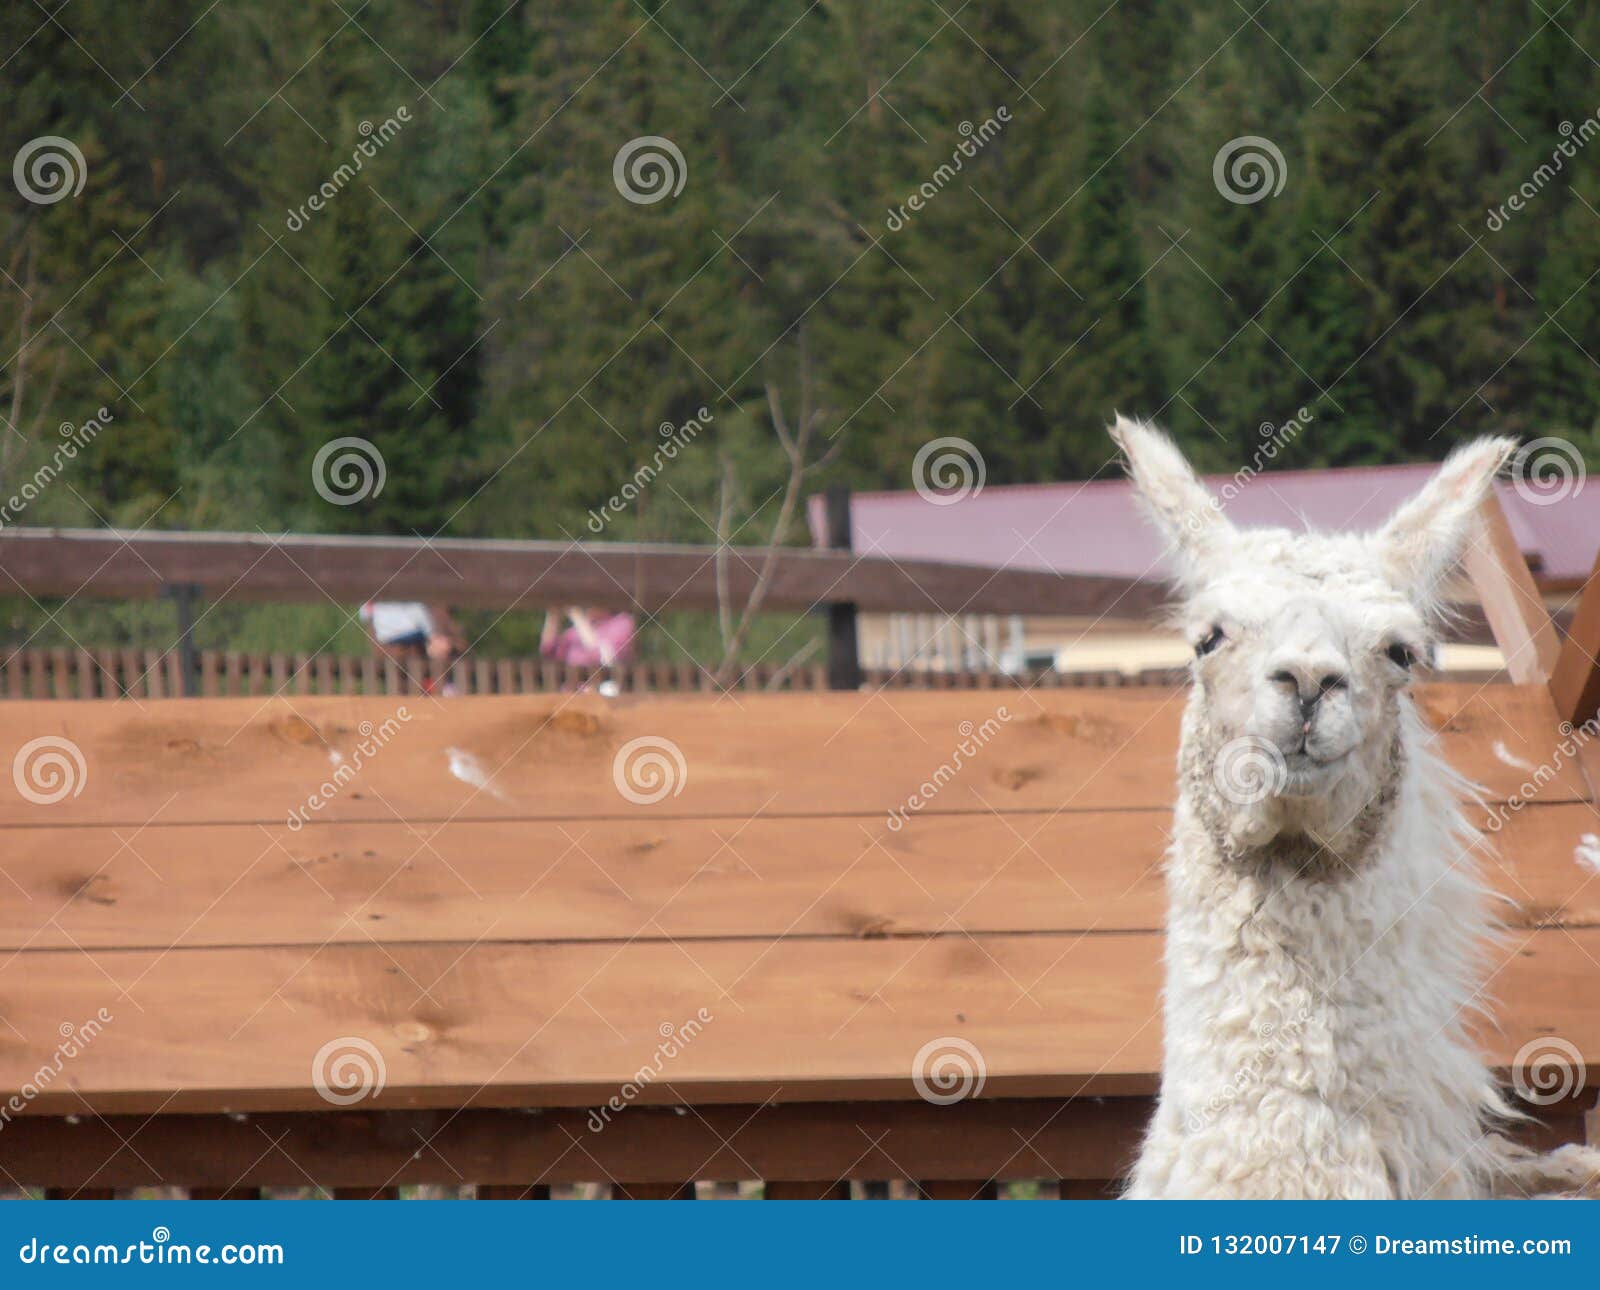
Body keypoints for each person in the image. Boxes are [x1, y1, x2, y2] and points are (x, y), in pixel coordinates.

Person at [360, 602, 465, 694]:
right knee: (408, 661)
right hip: (394, 637)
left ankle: (441, 687)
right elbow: (367, 613)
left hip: (419, 633)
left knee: (442, 649)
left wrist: (435, 636)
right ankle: (435, 688)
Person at [539, 606, 637, 677]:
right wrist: (553, 616)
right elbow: (549, 651)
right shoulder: (576, 630)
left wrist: (577, 617)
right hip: (572, 694)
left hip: (605, 696)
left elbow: (602, 656)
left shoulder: (622, 622)